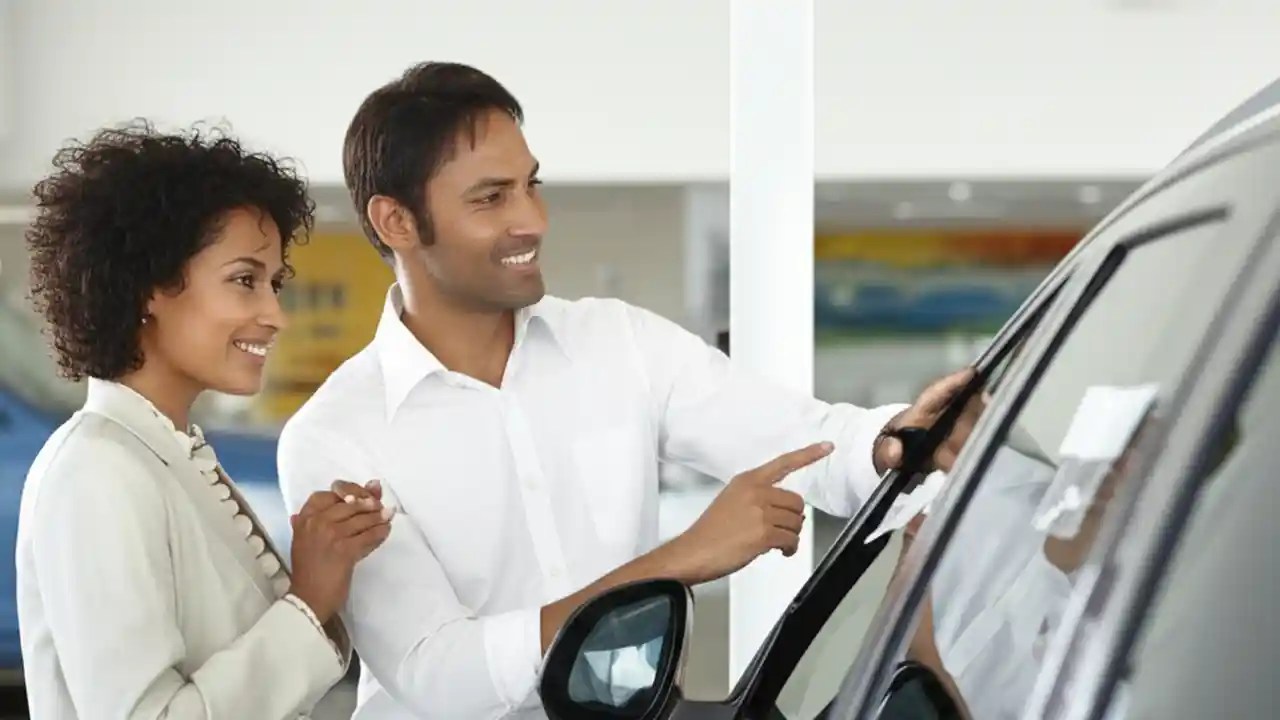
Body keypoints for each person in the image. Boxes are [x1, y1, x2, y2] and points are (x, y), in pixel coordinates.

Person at [276, 61, 976, 719]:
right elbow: (437, 672)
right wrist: (680, 559)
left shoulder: (618, 343)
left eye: (531, 185)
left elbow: (806, 441)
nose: (532, 220)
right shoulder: (336, 433)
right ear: (396, 221)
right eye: (491, 198)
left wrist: (891, 443)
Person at [15, 122, 395, 719]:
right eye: (244, 281)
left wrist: (322, 573)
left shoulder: (164, 454)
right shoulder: (96, 471)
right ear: (146, 287)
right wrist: (307, 601)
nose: (275, 315)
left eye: (273, 284)